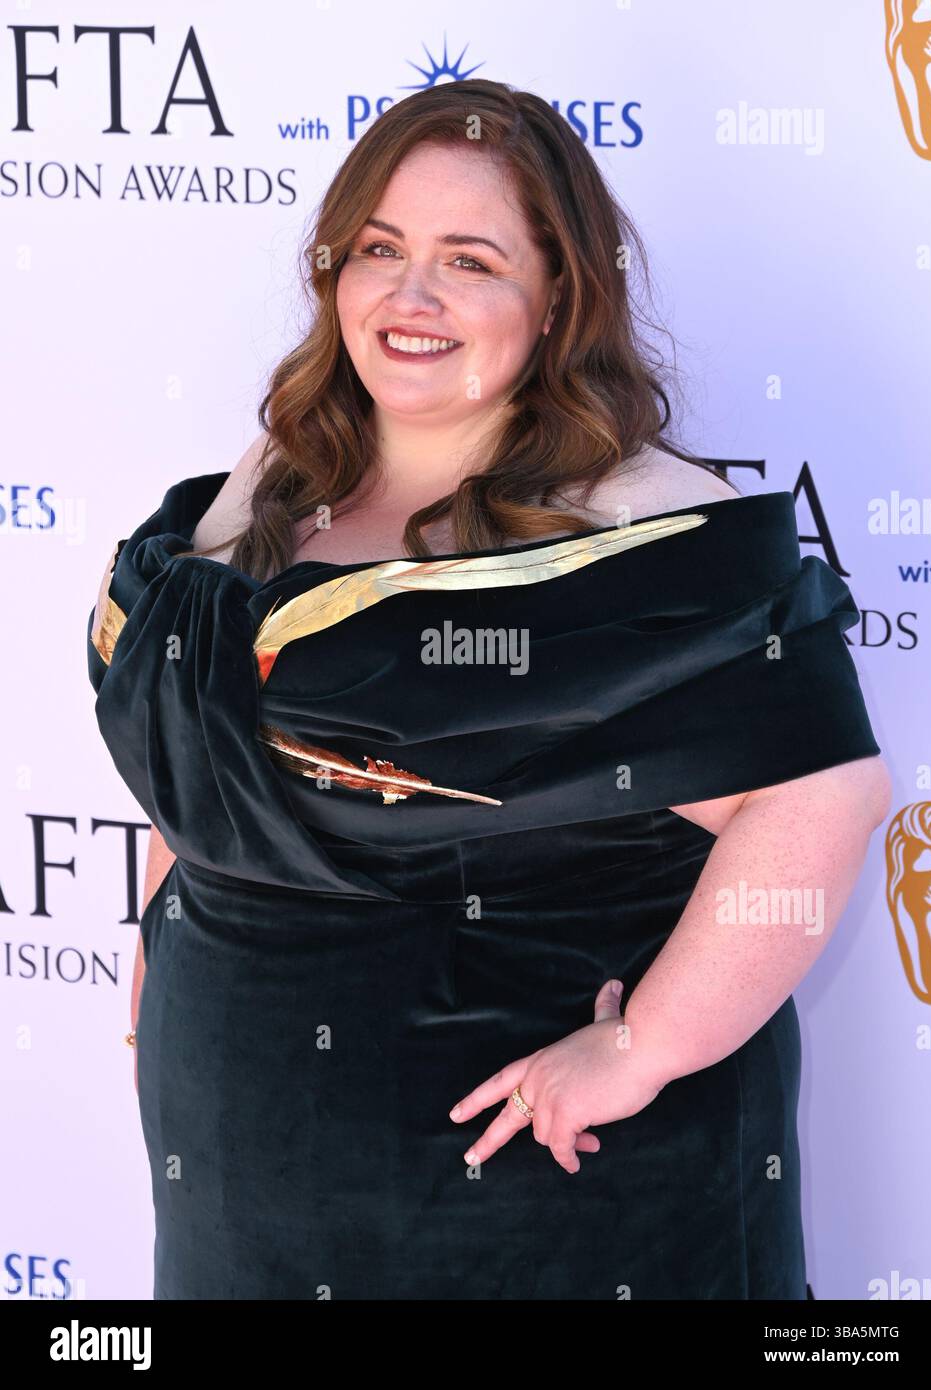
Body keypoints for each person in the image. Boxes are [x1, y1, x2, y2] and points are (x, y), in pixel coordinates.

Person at [87, 79, 889, 1300]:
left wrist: (643, 1045)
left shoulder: (649, 531)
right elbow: (200, 760)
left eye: (470, 260)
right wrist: (156, 953)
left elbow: (824, 795)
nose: (410, 299)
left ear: (559, 292)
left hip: (546, 1194)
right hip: (244, 1173)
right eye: (380, 250)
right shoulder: (271, 480)